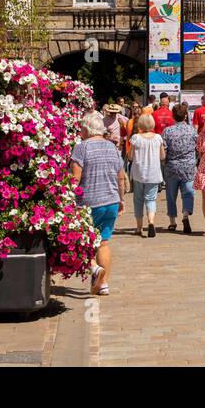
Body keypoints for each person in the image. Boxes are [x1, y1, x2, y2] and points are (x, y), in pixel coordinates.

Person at [71, 111, 126, 294]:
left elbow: (75, 178)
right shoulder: (112, 148)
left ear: (86, 129)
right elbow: (121, 178)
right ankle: (103, 285)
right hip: (111, 200)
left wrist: (66, 198)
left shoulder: (81, 148)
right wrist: (122, 199)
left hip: (88, 203)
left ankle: (94, 268)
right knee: (103, 243)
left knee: (81, 241)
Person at [162, 103, 197, 234]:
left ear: (173, 116)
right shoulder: (192, 130)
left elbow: (163, 150)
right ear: (186, 115)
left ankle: (172, 221)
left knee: (171, 195)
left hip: (172, 166)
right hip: (188, 166)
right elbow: (197, 147)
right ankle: (186, 214)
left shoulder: (167, 131)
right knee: (188, 192)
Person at [128, 114, 165, 237]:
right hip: (154, 173)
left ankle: (139, 227)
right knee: (150, 199)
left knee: (138, 200)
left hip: (139, 173)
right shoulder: (158, 138)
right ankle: (151, 221)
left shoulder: (136, 138)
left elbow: (130, 156)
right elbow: (162, 156)